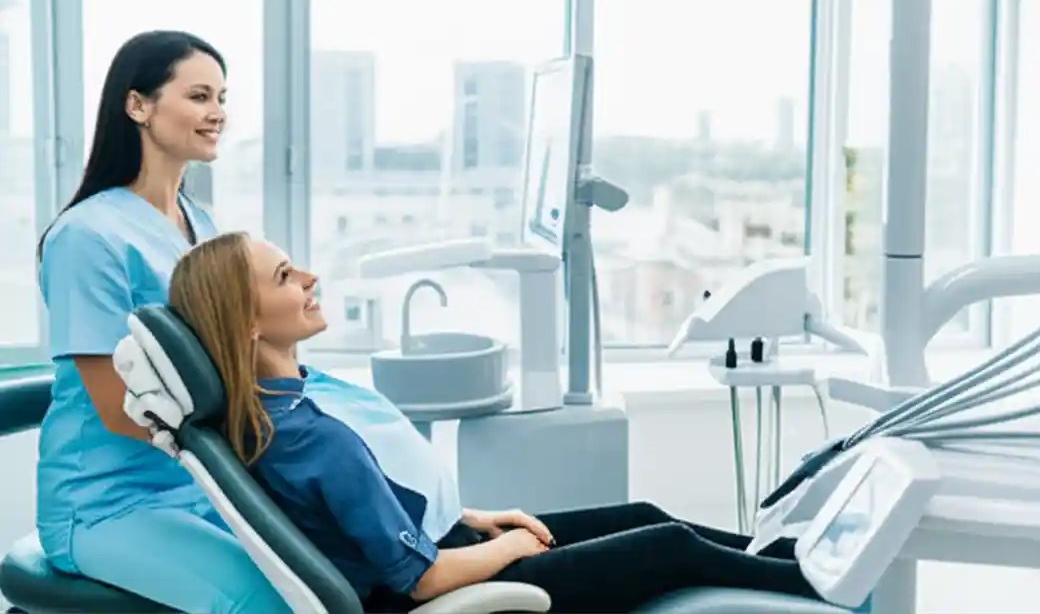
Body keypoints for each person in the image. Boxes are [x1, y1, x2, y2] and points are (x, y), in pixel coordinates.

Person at [168, 231, 828, 613]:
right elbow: (418, 578)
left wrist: (476, 519)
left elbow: (357, 517)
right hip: (436, 592)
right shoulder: (310, 437)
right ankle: (836, 588)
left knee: (645, 515)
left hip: (446, 549)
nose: (311, 278)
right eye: (286, 276)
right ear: (248, 322)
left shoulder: (281, 413)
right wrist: (510, 548)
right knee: (668, 547)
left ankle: (806, 559)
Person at [35, 30, 292, 613]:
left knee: (335, 571)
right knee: (269, 603)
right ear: (138, 105)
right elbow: (116, 405)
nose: (218, 113)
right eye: (199, 96)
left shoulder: (200, 224)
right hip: (107, 504)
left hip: (201, 487)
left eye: (222, 98)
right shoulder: (87, 237)